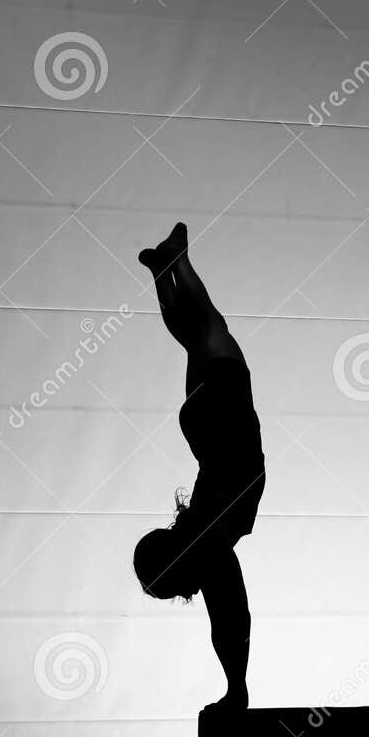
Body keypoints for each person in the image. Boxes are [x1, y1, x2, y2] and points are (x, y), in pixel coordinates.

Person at [132, 222, 265, 711]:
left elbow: (231, 618)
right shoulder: (204, 541)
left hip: (222, 427)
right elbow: (229, 618)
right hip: (210, 429)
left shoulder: (207, 545)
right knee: (199, 332)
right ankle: (166, 267)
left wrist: (237, 688)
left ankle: (175, 261)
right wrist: (235, 687)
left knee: (205, 329)